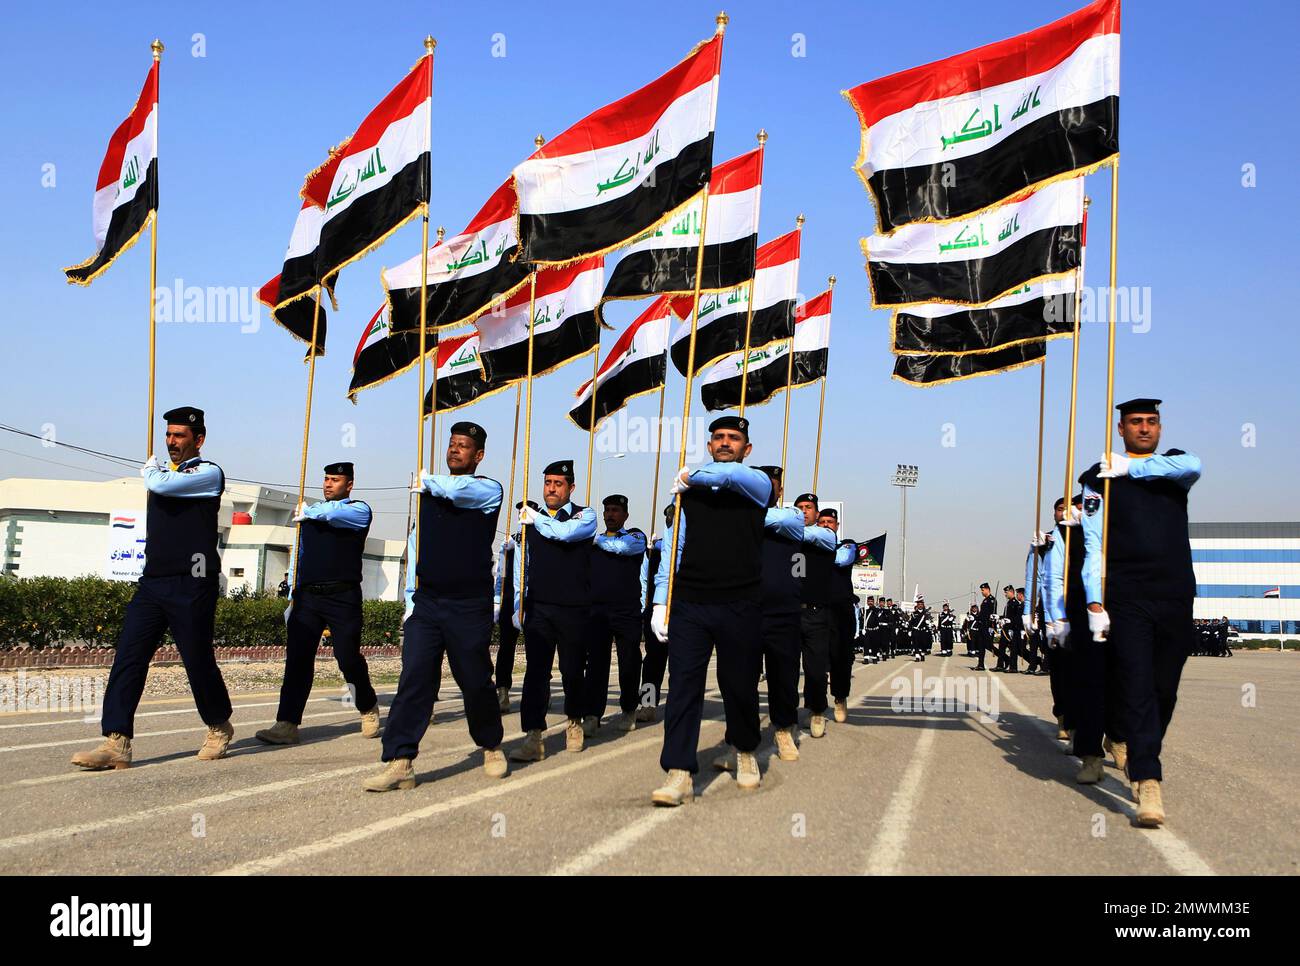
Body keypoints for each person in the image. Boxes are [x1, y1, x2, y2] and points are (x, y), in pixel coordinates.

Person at [73, 406, 234, 769]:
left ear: (199, 440)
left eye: (179, 436)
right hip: (153, 582)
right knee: (128, 657)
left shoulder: (208, 474)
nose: (171, 442)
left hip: (193, 581)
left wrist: (150, 469)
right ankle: (116, 742)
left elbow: (162, 484)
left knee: (196, 659)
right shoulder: (164, 473)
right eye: (169, 435)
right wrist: (156, 470)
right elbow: (161, 482)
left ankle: (218, 724)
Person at [363, 422, 507, 791]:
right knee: (414, 679)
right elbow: (416, 551)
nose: (455, 450)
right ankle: (401, 759)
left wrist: (426, 482)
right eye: (452, 444)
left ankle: (490, 744)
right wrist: (411, 601)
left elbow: (463, 491)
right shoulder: (428, 492)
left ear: (479, 455)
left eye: (464, 446)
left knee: (474, 680)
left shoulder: (487, 490)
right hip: (427, 603)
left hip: (467, 605)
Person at [1080, 398, 1202, 827]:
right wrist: (1094, 599)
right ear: (1120, 429)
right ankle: (1148, 780)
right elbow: (1093, 542)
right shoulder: (1099, 479)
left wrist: (1132, 468)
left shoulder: (1173, 469)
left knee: (1165, 689)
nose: (1145, 429)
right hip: (1127, 594)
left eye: (1151, 422)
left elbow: (1195, 465)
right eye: (1135, 423)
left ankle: (1139, 746)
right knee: (1135, 682)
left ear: (1160, 427)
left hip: (1174, 592)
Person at [648, 416, 771, 806]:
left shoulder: (757, 485)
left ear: (746, 449)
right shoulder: (688, 493)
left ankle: (745, 750)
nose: (725, 443)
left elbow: (738, 479)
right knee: (683, 687)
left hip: (741, 601)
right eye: (718, 437)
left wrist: (694, 476)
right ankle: (679, 771)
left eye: (734, 438)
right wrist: (660, 600)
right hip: (691, 602)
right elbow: (674, 546)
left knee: (739, 684)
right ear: (709, 443)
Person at [257, 462, 380, 746]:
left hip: (343, 596)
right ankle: (286, 723)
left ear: (349, 485)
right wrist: (292, 595)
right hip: (308, 596)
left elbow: (332, 513)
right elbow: (299, 554)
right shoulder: (309, 516)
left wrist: (308, 511)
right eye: (325, 479)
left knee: (347, 657)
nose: (327, 484)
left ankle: (367, 706)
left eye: (335, 480)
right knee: (298, 660)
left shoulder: (358, 510)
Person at [510, 460, 598, 761]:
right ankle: (533, 735)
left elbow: (564, 533)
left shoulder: (585, 515)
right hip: (539, 606)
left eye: (558, 484)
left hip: (574, 608)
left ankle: (574, 721)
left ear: (570, 488)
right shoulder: (530, 520)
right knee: (536, 673)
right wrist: (519, 602)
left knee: (572, 670)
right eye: (547, 482)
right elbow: (524, 563)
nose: (551, 489)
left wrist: (535, 519)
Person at [582, 494, 647, 734]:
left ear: (625, 515)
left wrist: (599, 543)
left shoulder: (635, 536)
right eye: (607, 510)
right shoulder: (593, 542)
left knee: (629, 662)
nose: (610, 514)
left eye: (615, 510)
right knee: (596, 665)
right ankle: (592, 714)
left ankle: (629, 708)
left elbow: (624, 548)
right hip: (598, 611)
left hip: (626, 611)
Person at [754, 466, 804, 761]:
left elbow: (782, 518)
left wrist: (745, 514)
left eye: (771, 485)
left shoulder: (792, 517)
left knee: (782, 675)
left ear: (780, 491)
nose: (766, 490)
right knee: (741, 676)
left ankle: (784, 729)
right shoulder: (741, 520)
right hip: (745, 609)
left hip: (783, 611)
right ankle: (739, 738)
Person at [792, 493, 840, 738]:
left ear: (817, 513)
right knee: (786, 668)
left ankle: (817, 710)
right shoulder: (790, 538)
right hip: (790, 612)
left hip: (816, 613)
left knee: (815, 669)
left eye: (808, 507)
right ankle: (787, 714)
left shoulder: (825, 535)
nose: (803, 511)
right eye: (799, 508)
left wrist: (787, 526)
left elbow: (810, 534)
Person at [818, 509, 859, 722]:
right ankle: (816, 705)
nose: (826, 525)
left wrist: (820, 555)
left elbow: (843, 559)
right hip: (819, 609)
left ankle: (840, 698)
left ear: (837, 524)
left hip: (842, 611)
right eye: (822, 522)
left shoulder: (847, 544)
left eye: (830, 522)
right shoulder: (811, 547)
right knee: (816, 659)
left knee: (841, 658)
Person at [492, 504, 530, 713]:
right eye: (520, 513)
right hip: (509, 601)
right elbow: (501, 573)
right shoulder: (510, 544)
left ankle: (541, 690)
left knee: (537, 649)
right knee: (506, 647)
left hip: (531, 599)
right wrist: (497, 599)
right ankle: (503, 690)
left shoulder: (539, 539)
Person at [638, 505, 674, 722]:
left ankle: (680, 705)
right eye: (669, 518)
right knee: (653, 662)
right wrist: (645, 607)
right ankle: (648, 703)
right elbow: (644, 580)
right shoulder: (653, 551)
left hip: (685, 611)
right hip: (657, 610)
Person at [972, 583, 997, 671]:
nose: (982, 592)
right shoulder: (985, 600)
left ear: (987, 589)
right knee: (981, 646)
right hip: (982, 626)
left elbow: (991, 615)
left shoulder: (992, 600)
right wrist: (975, 618)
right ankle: (981, 664)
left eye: (983, 590)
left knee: (989, 646)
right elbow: (982, 614)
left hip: (987, 626)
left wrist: (991, 626)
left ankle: (1005, 659)